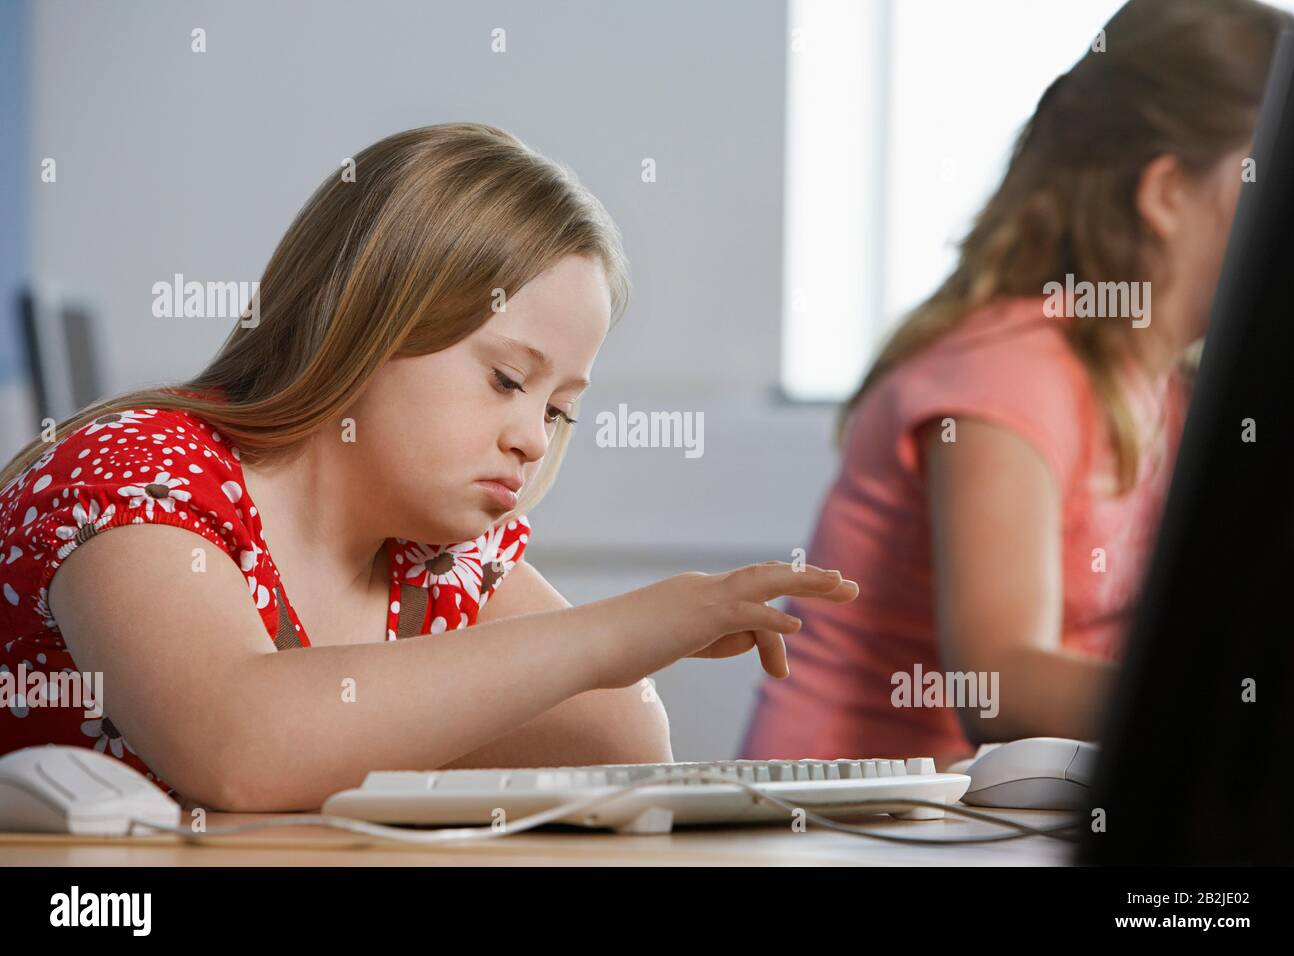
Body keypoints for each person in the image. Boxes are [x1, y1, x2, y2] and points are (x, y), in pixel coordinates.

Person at [0, 123, 858, 810]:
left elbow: (617, 743)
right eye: (507, 380)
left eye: (559, 410)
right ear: (365, 320)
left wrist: (609, 654)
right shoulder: (135, 473)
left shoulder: (435, 553)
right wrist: (625, 628)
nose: (532, 437)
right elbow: (240, 747)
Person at [741, 0, 1289, 771]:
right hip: (841, 832)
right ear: (1167, 194)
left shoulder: (1168, 391)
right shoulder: (1012, 374)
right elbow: (1001, 686)